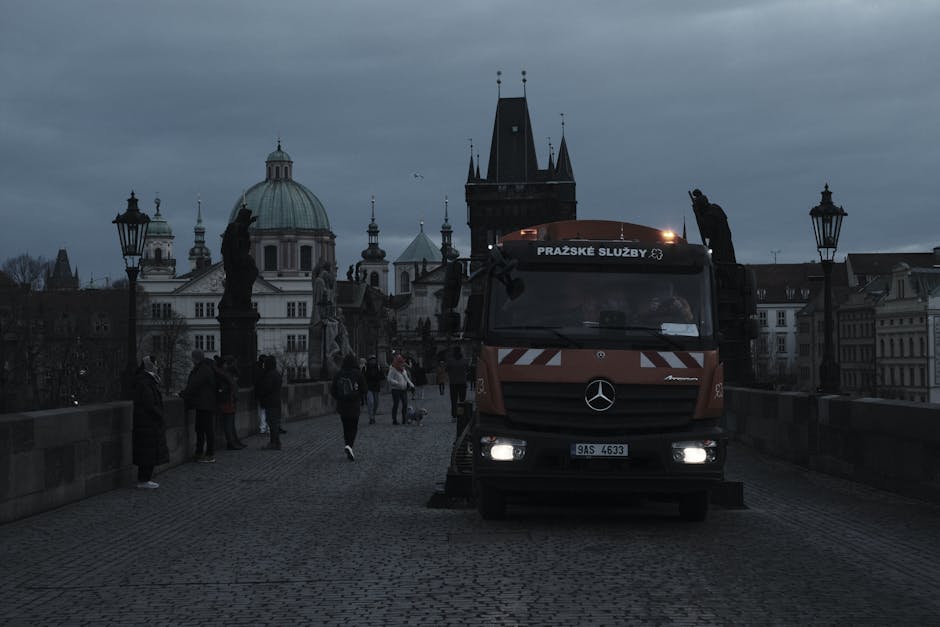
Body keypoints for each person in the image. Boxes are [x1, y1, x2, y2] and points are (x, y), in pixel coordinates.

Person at [132, 355, 169, 488]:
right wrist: (160, 414)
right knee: (147, 452)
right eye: (155, 364)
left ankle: (144, 479)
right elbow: (149, 403)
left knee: (147, 451)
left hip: (146, 422)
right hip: (147, 422)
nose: (157, 366)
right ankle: (143, 479)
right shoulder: (145, 381)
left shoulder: (145, 380)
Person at [180, 349, 218, 463]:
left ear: (195, 358)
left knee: (205, 430)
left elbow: (194, 385)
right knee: (202, 429)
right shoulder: (206, 368)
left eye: (192, 357)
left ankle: (208, 454)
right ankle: (200, 452)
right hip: (205, 403)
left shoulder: (202, 370)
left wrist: (183, 394)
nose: (191, 360)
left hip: (204, 404)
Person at [330, 353, 367, 461]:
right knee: (353, 427)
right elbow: (364, 389)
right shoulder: (358, 373)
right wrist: (358, 395)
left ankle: (347, 445)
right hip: (354, 405)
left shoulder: (339, 373)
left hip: (342, 406)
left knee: (346, 427)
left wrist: (340, 397)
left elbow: (333, 391)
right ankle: (350, 446)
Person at [216, 355, 246, 450]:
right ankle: (232, 442)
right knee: (229, 424)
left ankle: (234, 441)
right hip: (227, 401)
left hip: (230, 400)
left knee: (230, 423)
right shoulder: (223, 374)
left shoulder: (224, 373)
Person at [256, 355, 284, 450]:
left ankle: (273, 443)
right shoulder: (276, 373)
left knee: (272, 423)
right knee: (274, 423)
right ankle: (276, 442)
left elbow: (266, 388)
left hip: (271, 402)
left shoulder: (270, 375)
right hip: (275, 401)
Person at [386, 353, 413, 426]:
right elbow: (389, 378)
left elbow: (406, 377)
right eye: (402, 362)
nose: (403, 363)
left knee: (405, 404)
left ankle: (404, 419)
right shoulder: (393, 368)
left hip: (403, 389)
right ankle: (394, 419)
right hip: (396, 389)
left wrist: (410, 384)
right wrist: (396, 383)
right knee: (396, 404)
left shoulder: (403, 369)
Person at [446, 346, 468, 422]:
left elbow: (447, 370)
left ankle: (454, 416)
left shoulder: (450, 361)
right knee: (462, 400)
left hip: (453, 383)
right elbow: (467, 369)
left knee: (453, 400)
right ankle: (461, 415)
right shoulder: (465, 360)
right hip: (462, 382)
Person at [363, 355, 384, 425]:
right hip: (368, 387)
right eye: (371, 360)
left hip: (376, 387)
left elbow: (382, 376)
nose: (373, 361)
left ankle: (373, 415)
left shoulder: (378, 367)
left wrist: (376, 377)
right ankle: (371, 417)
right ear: (369, 360)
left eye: (374, 360)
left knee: (376, 403)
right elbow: (362, 377)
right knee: (370, 403)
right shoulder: (365, 367)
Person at [254, 354, 269, 435]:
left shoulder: (257, 369)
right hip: (263, 394)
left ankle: (263, 428)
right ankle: (264, 428)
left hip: (260, 393)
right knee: (264, 411)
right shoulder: (263, 371)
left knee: (262, 411)